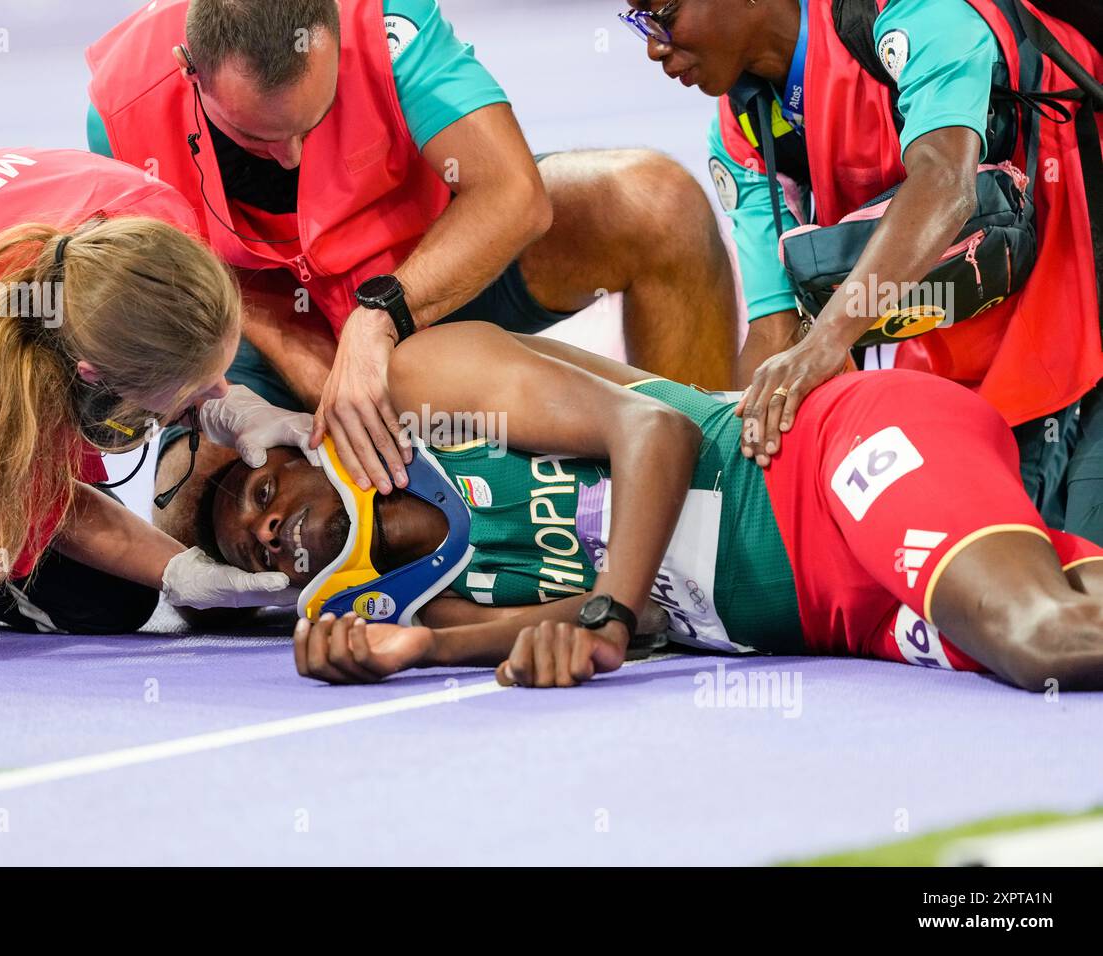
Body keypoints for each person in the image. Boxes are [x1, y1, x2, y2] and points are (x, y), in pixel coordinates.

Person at [159, 320, 1103, 691]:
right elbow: (642, 613)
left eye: (258, 491)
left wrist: (604, 618)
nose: (264, 528)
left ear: (294, 444)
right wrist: (424, 650)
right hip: (832, 614)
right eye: (246, 549)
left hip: (822, 460)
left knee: (1044, 642)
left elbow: (657, 435)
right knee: (1073, 605)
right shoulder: (419, 600)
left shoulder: (422, 387)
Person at [85, 0, 738, 497]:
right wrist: (293, 350)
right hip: (262, 327)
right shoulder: (121, 112)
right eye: (256, 136)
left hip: (430, 276)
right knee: (200, 501)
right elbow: (177, 295)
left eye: (313, 123)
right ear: (188, 71)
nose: (291, 156)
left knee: (658, 205)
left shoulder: (386, 24)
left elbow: (515, 195)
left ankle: (714, 500)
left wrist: (378, 319)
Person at [0, 146, 313, 667]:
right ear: (93, 372)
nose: (222, 391)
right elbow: (48, 507)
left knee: (110, 598)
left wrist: (210, 399)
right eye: (200, 386)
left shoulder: (158, 227)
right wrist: (179, 572)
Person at [624, 0, 1103, 538]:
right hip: (967, 362)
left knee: (1071, 583)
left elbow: (945, 183)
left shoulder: (913, 13)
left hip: (1083, 322)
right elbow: (774, 330)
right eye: (637, 21)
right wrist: (728, 492)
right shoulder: (742, 129)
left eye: (662, 11)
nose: (653, 45)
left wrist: (827, 338)